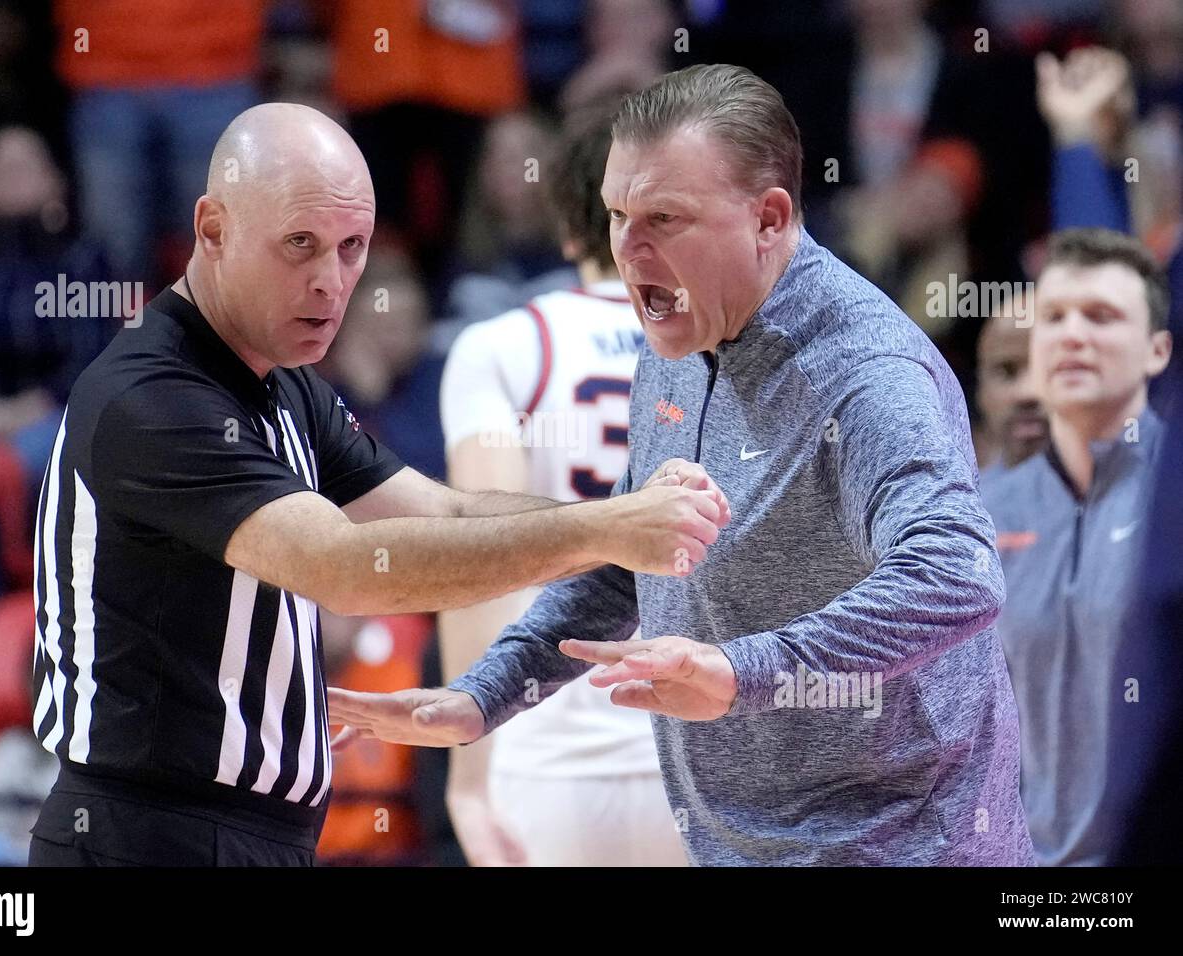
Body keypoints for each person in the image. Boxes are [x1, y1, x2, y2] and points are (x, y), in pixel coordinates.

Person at [327, 64, 1033, 866]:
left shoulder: (867, 373)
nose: (626, 252)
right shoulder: (679, 331)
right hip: (735, 842)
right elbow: (629, 560)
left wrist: (743, 668)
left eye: (663, 218)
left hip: (896, 846)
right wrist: (484, 695)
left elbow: (958, 573)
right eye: (617, 215)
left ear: (769, 218)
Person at [26, 102, 726, 867]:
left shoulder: (283, 383)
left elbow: (449, 510)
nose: (332, 282)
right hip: (144, 836)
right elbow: (347, 568)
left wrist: (626, 522)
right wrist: (611, 530)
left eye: (352, 247)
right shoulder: (153, 395)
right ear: (213, 229)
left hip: (249, 835)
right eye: (300, 244)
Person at [439, 105, 686, 866]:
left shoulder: (505, 346)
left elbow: (483, 560)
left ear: (570, 229)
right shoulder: (723, 342)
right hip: (703, 749)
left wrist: (467, 774)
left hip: (551, 753)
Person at [981, 228, 1172, 866]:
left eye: (1102, 317)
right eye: (1056, 317)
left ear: (1156, 350)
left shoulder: (1171, 499)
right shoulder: (982, 511)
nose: (1073, 336)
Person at [975, 288, 1047, 474]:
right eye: (1006, 372)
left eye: (1048, 369)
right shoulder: (963, 500)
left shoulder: (1129, 495)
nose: (1027, 393)